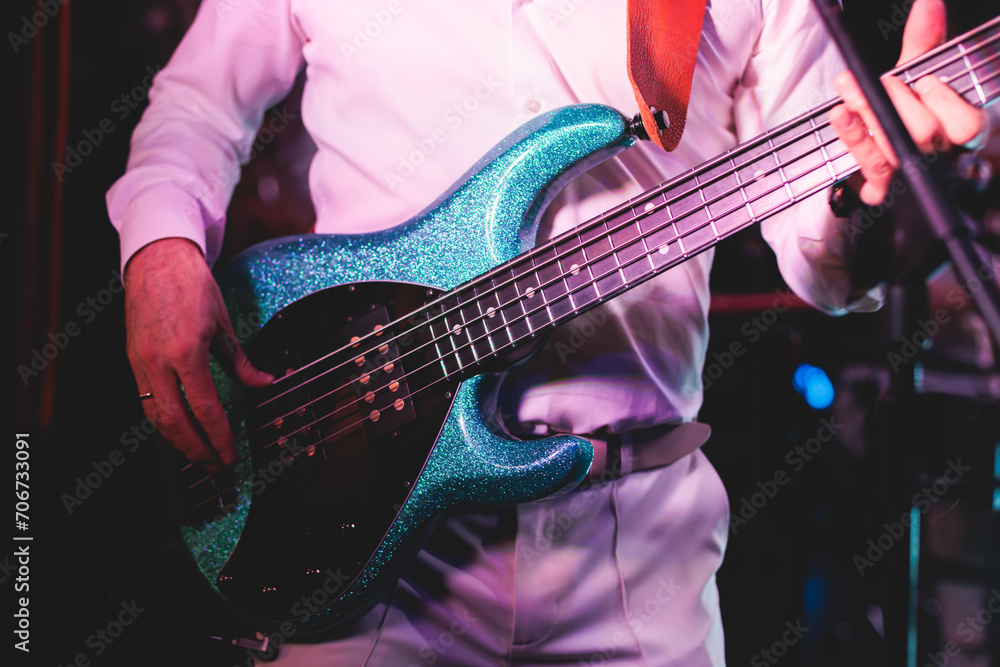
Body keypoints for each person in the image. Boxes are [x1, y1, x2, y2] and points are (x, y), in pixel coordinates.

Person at [106, 0, 991, 663]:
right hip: (365, 515)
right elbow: (198, 102)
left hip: (638, 542)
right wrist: (159, 249)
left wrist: (873, 191)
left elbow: (822, 256)